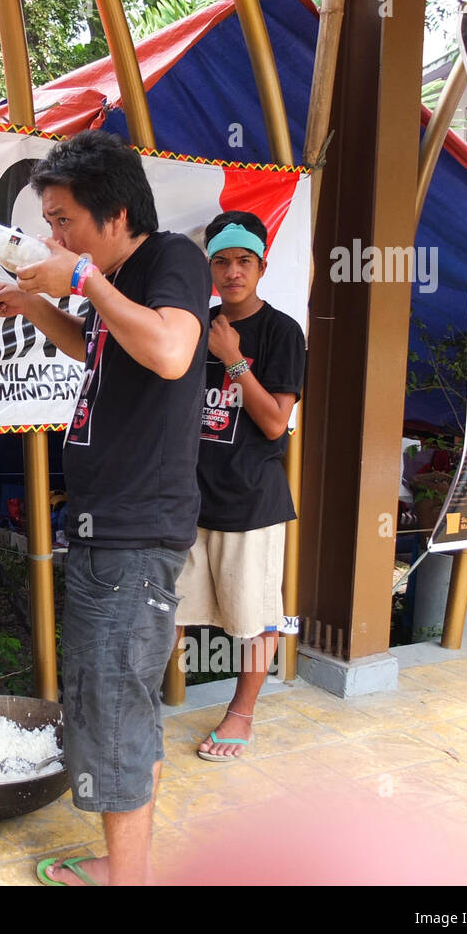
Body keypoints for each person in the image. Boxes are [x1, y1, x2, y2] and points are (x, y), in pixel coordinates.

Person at [0, 129, 209, 885]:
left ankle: (127, 876)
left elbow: (171, 351)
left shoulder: (171, 259)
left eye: (63, 218)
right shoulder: (115, 278)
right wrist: (37, 302)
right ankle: (124, 857)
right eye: (48, 220)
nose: (52, 234)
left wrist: (78, 277)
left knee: (112, 712)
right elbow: (101, 348)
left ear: (114, 216)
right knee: (120, 707)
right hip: (110, 526)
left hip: (135, 532)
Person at [175, 210, 305, 761]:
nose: (232, 272)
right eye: (222, 262)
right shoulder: (191, 323)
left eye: (243, 262)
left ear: (262, 266)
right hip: (188, 499)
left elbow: (276, 421)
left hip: (251, 501)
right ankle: (138, 705)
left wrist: (231, 361)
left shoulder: (281, 332)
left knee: (254, 618)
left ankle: (242, 713)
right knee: (172, 612)